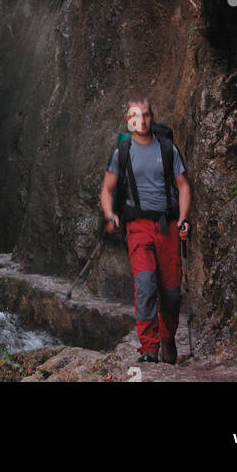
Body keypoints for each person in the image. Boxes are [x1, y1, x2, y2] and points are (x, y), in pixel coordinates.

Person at [100, 93, 192, 364]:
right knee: (145, 283)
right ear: (128, 121)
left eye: (146, 115)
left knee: (172, 293)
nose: (141, 121)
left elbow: (184, 186)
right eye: (135, 116)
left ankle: (167, 337)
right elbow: (107, 189)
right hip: (138, 226)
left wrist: (184, 219)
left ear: (152, 118)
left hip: (168, 225)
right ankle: (149, 349)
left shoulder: (167, 149)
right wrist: (110, 215)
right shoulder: (123, 152)